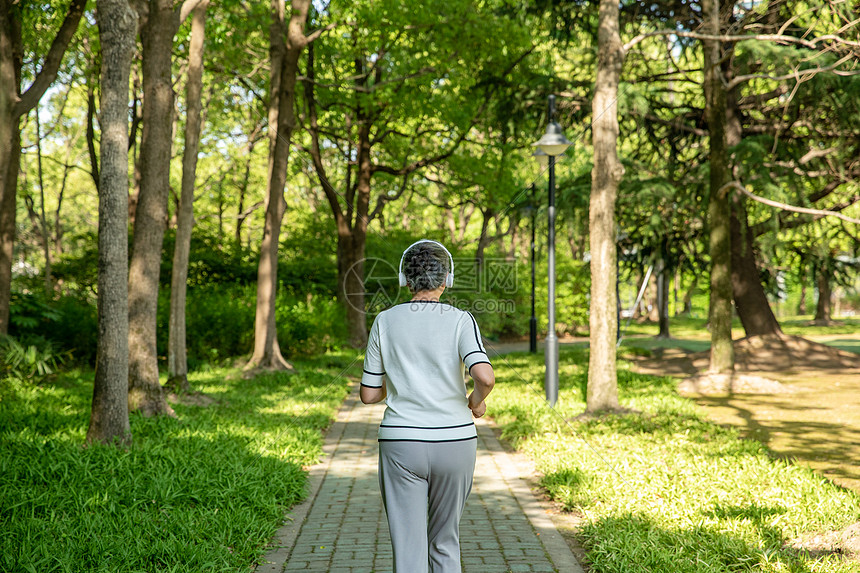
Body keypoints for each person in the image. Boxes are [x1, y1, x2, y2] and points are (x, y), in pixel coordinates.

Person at [360, 239, 495, 573]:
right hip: (455, 442)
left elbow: (368, 394)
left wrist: (400, 383)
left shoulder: (384, 321)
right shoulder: (462, 319)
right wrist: (476, 403)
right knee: (445, 540)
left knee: (408, 546)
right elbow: (485, 377)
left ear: (405, 280)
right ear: (446, 280)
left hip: (401, 442)